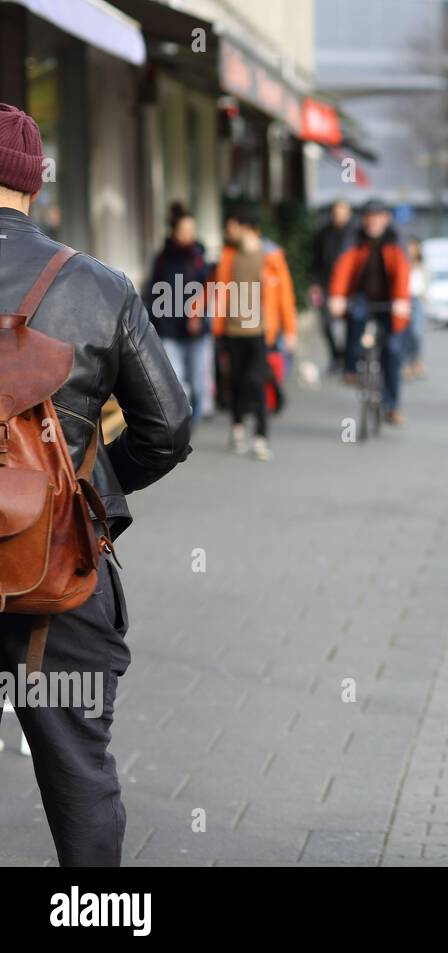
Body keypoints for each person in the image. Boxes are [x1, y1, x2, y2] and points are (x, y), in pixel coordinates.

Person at [0, 102, 191, 865]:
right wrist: (82, 493)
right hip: (59, 575)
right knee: (79, 775)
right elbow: (169, 430)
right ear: (34, 186)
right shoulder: (96, 283)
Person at [210, 209, 298, 460]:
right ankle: (237, 428)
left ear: (244, 227)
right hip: (232, 329)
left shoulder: (271, 257)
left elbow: (285, 297)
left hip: (260, 331)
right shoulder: (228, 255)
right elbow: (219, 289)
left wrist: (290, 331)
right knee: (235, 381)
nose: (228, 232)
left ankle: (261, 437)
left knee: (256, 381)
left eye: (231, 227)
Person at [327, 199, 411, 425]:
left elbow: (403, 272)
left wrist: (402, 301)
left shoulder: (396, 239)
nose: (373, 222)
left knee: (392, 351)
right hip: (363, 295)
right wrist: (337, 296)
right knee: (355, 317)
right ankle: (351, 366)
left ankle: (391, 406)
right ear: (363, 220)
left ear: (386, 219)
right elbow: (343, 267)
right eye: (369, 218)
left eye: (378, 217)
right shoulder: (354, 237)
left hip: (391, 299)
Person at [145, 201, 211, 423]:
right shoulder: (163, 258)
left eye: (192, 230)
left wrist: (197, 313)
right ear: (174, 232)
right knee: (178, 382)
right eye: (184, 231)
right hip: (169, 329)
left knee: (198, 384)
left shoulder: (199, 256)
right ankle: (184, 423)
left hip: (196, 329)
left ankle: (197, 414)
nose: (189, 235)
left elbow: (209, 287)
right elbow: (152, 292)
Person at [309, 199, 354, 373]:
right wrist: (314, 284)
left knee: (353, 321)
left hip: (351, 286)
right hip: (326, 283)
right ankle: (336, 355)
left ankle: (349, 357)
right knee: (326, 322)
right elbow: (315, 260)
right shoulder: (323, 233)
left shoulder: (356, 233)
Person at [402, 238, 427, 381]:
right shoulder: (404, 262)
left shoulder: (423, 264)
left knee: (416, 333)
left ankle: (416, 361)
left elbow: (427, 280)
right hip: (404, 299)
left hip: (417, 300)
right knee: (405, 334)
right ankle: (407, 364)